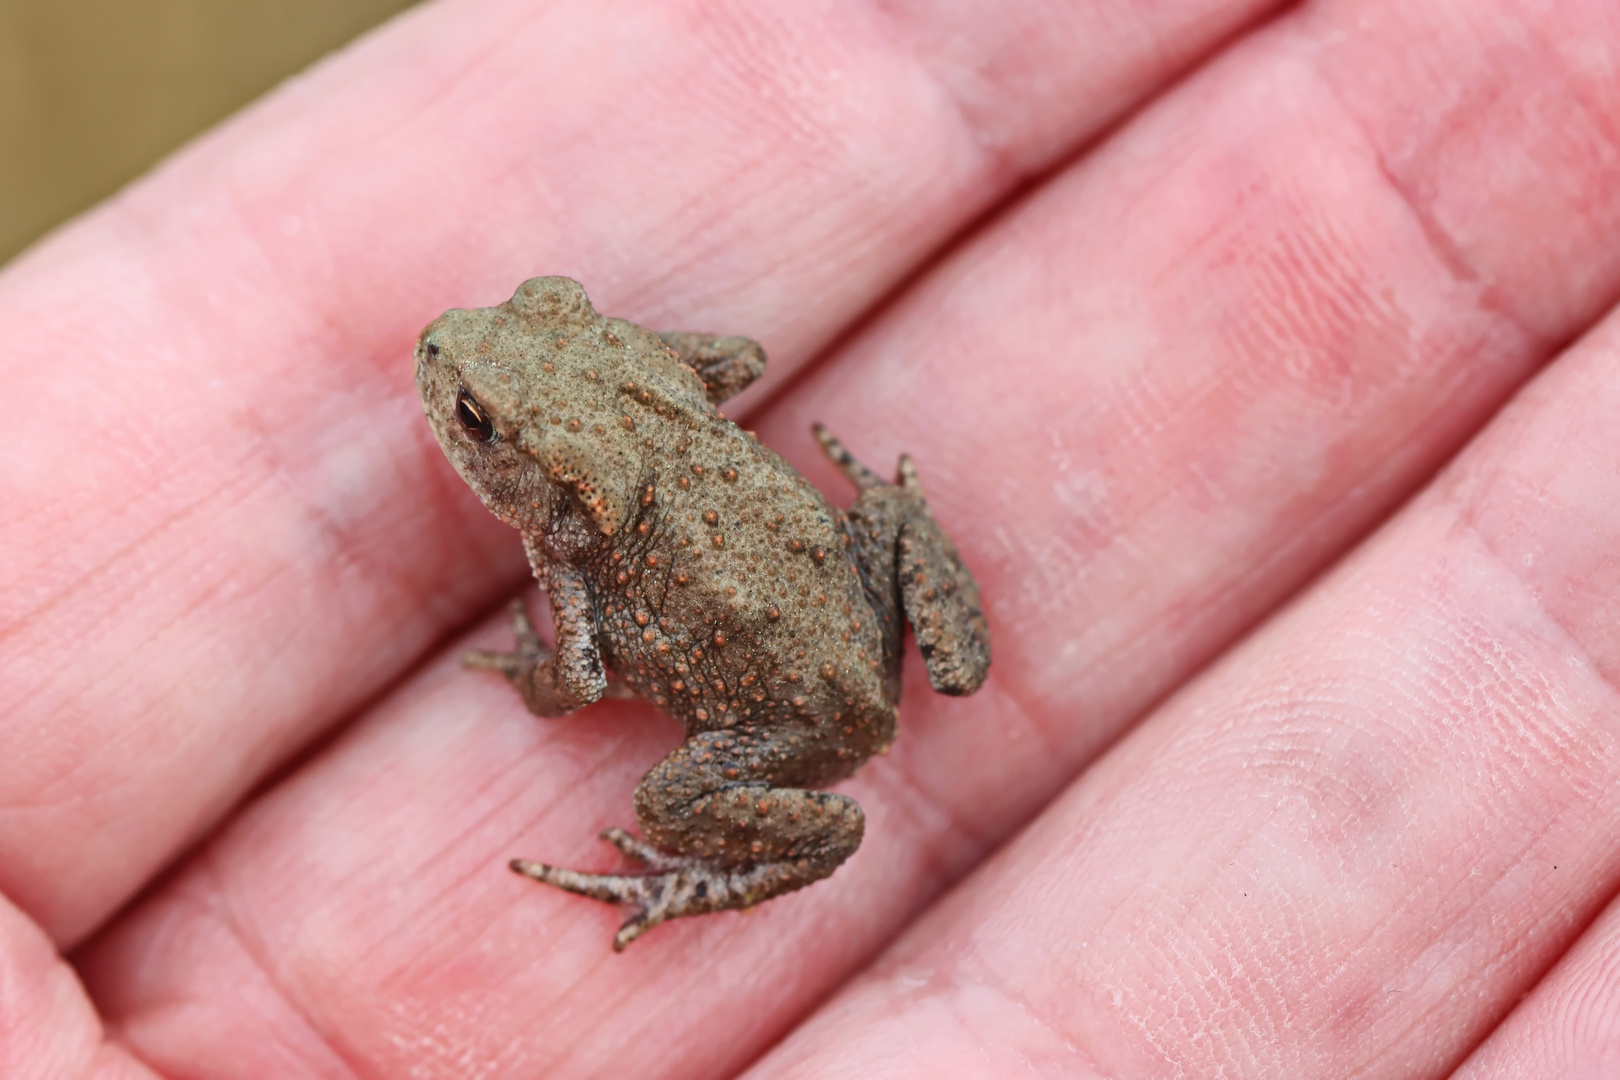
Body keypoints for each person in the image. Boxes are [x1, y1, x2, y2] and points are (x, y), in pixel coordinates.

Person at [3, 0, 1618, 1075]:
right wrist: (742, 452)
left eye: (489, 418)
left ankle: (692, 880)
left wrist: (530, 655)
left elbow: (576, 683)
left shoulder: (574, 545)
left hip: (793, 717)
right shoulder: (661, 406)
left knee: (664, 787)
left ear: (546, 481)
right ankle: (886, 534)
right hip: (831, 591)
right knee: (897, 578)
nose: (459, 372)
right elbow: (733, 371)